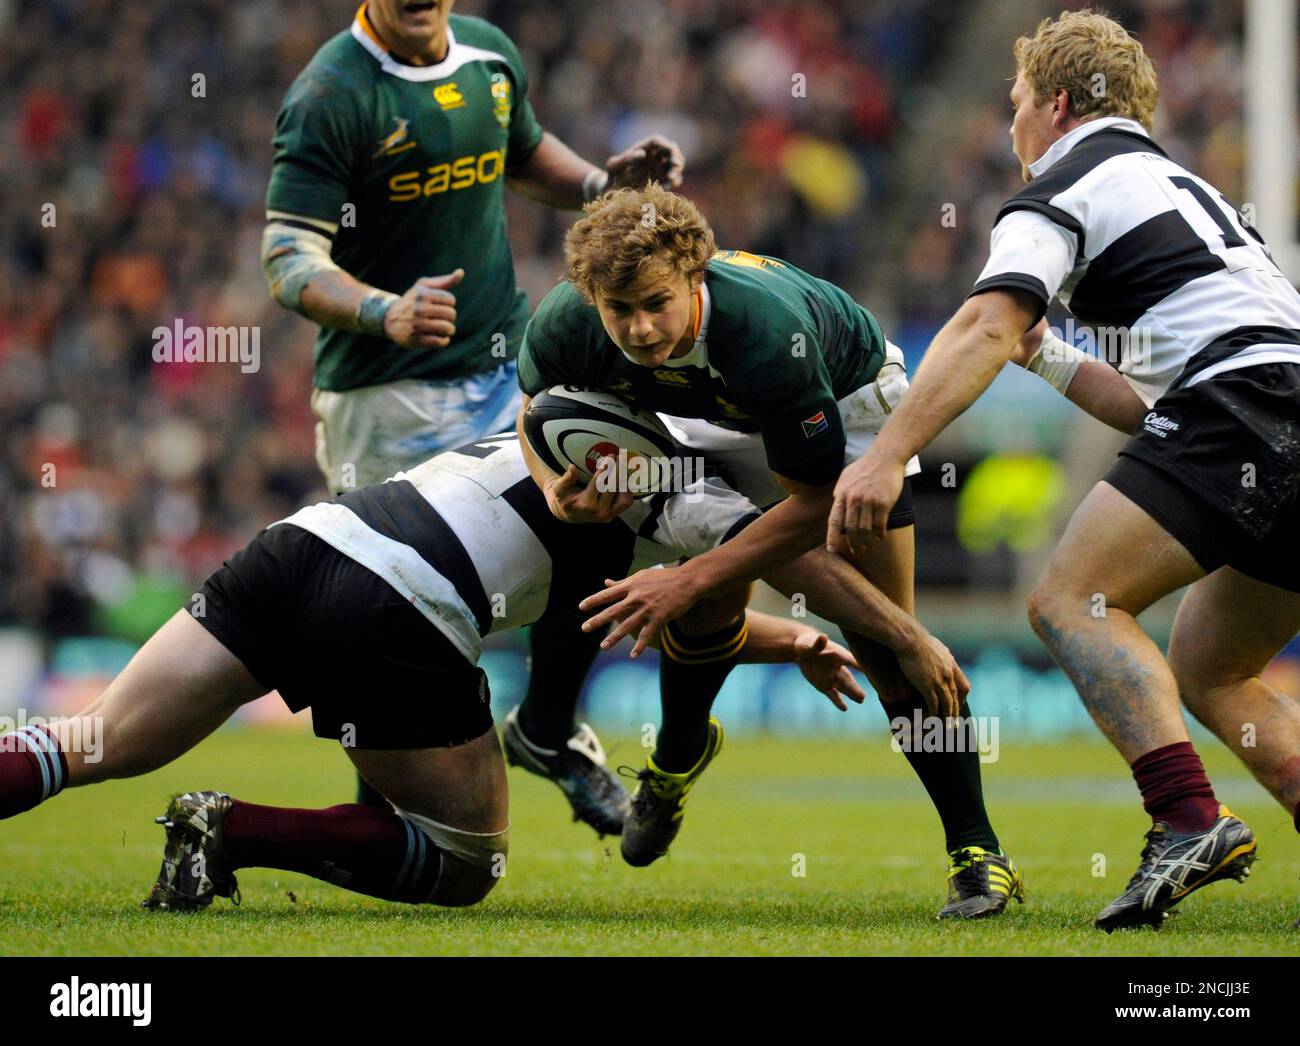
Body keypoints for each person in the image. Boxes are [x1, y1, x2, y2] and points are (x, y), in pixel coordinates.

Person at [0, 433, 919, 912]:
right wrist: (899, 635)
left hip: (305, 543)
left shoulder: (563, 418)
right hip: (400, 602)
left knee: (100, 740)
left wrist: (789, 641)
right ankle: (228, 830)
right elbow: (751, 571)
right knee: (467, 860)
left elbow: (642, 605)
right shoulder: (680, 484)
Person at [830, 9, 1300, 931]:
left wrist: (887, 456)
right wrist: (1045, 358)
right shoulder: (1175, 185)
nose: (1009, 126)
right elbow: (1147, 401)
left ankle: (1186, 820)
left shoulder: (1068, 180)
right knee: (1214, 666)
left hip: (1243, 404)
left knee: (1070, 601)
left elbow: (982, 322)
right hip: (1275, 399)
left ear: (1053, 103)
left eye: (1014, 103)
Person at [516, 185, 1022, 918]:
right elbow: (536, 413)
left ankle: (978, 855)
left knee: (885, 643)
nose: (639, 329)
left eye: (656, 303)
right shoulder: (568, 319)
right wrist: (553, 487)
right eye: (617, 310)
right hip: (700, 418)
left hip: (841, 407)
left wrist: (689, 577)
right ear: (589, 294)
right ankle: (676, 761)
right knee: (710, 599)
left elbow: (811, 509)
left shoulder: (763, 334)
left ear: (697, 276)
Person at [260, 0, 686, 829]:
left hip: (508, 367)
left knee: (596, 528)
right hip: (386, 395)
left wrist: (603, 186)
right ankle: (384, 821)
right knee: (405, 606)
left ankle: (547, 729)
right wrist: (382, 309)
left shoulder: (488, 55)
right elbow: (285, 255)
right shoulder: (330, 95)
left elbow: (520, 154)